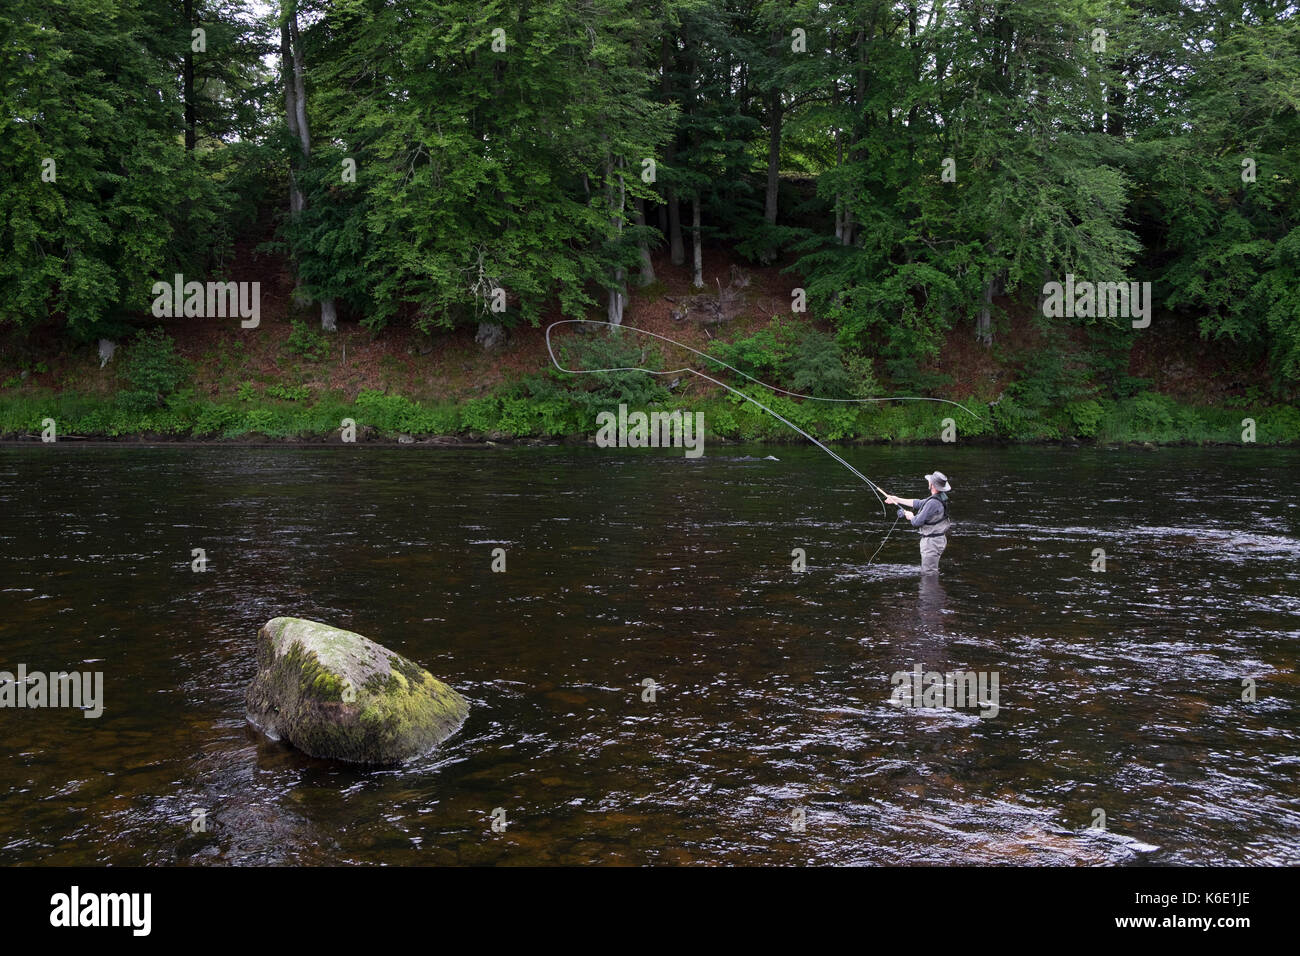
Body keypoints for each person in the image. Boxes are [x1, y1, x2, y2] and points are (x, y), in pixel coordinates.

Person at [883, 471, 952, 574]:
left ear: (932, 485)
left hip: (932, 543)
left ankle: (930, 590)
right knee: (930, 571)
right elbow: (918, 503)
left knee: (929, 574)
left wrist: (911, 516)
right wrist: (896, 499)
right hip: (937, 540)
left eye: (929, 481)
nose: (928, 482)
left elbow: (916, 522)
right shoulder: (939, 497)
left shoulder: (933, 502)